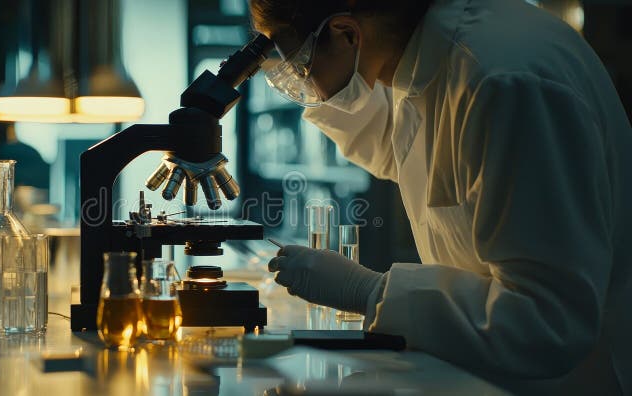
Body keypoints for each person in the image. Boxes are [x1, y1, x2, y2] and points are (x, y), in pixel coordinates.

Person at [255, 0, 631, 394]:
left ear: (347, 33)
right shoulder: (425, 59)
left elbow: (549, 321)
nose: (302, 84)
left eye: (300, 68)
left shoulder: (501, 80)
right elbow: (397, 145)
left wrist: (368, 291)